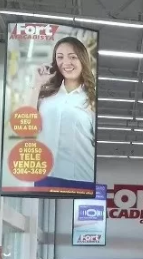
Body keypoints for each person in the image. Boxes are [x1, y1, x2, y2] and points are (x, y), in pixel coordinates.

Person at [30, 37, 96, 189]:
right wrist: (37, 83)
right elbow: (29, 126)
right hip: (45, 175)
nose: (66, 63)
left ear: (83, 60)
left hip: (80, 177)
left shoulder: (92, 98)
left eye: (72, 57)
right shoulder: (47, 95)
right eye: (60, 57)